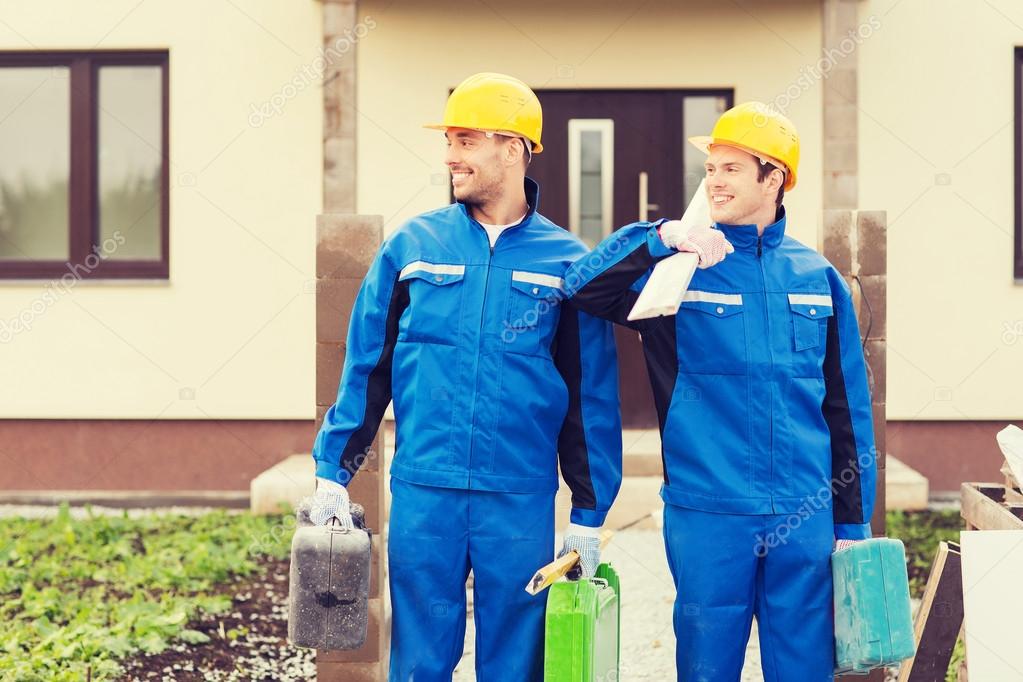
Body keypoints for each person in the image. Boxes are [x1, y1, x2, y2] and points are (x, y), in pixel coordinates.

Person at [309, 72, 623, 681]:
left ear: (514, 149)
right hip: (428, 488)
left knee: (515, 664)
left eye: (466, 139)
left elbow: (589, 398)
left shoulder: (565, 262)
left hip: (519, 495)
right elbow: (368, 366)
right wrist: (332, 471)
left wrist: (588, 510)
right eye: (448, 139)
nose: (450, 155)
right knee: (420, 659)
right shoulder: (413, 246)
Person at [566, 101, 876, 681]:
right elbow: (583, 289)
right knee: (707, 669)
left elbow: (846, 408)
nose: (714, 181)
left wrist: (854, 528)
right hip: (707, 512)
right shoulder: (678, 273)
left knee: (805, 670)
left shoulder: (818, 279)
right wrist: (660, 237)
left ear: (774, 178)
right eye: (710, 169)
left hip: (804, 510)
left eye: (731, 168)